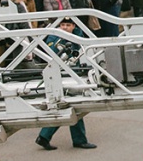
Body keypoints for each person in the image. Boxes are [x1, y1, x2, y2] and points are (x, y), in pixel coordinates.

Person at [35, 19, 98, 150]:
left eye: (68, 25)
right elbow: (52, 50)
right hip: (59, 75)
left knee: (68, 106)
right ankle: (78, 139)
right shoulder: (53, 36)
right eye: (62, 25)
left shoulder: (78, 36)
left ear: (73, 26)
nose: (64, 28)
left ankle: (45, 136)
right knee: (74, 106)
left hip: (73, 74)